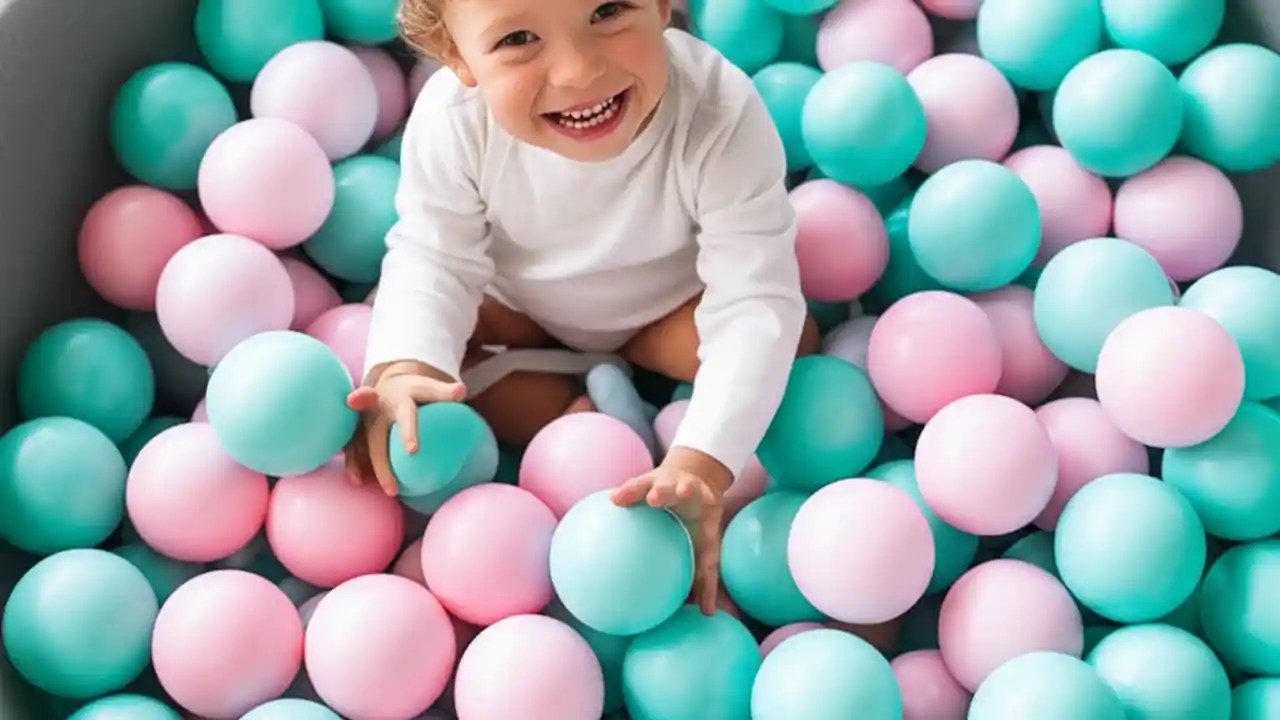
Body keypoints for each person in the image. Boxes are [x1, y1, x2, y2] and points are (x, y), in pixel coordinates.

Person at [346, 0, 819, 613]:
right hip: (515, 304)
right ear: (457, 57)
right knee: (422, 384)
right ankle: (570, 419)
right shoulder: (452, 120)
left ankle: (600, 406)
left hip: (668, 310)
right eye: (518, 39)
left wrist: (704, 461)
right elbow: (434, 259)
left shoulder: (718, 108)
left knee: (793, 339)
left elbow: (753, 298)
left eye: (608, 11)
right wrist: (404, 365)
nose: (576, 71)